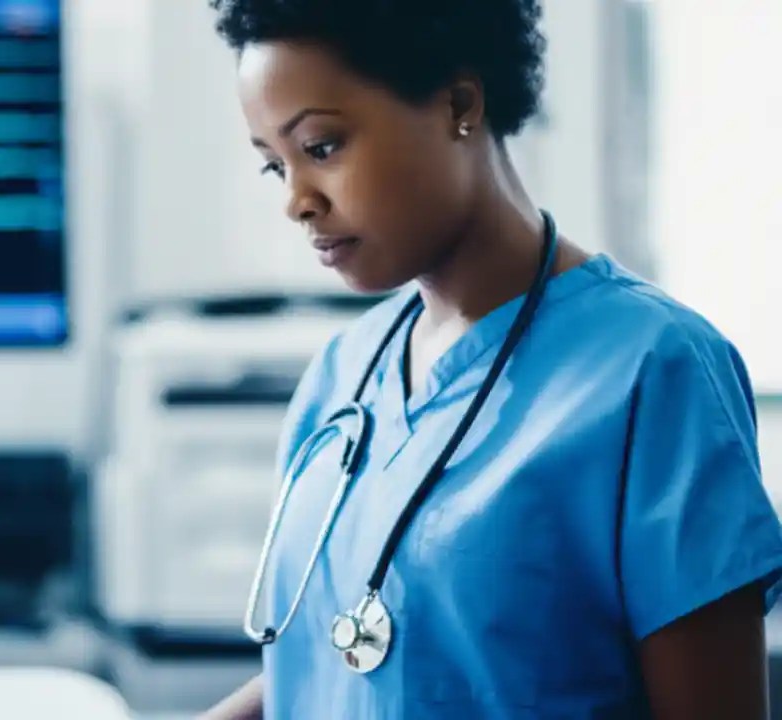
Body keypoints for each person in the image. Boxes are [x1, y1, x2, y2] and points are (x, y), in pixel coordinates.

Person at [199, 1, 782, 718]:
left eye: (320, 147)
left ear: (459, 104)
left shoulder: (655, 371)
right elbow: (340, 663)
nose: (297, 201)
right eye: (272, 166)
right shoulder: (341, 375)